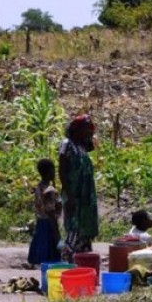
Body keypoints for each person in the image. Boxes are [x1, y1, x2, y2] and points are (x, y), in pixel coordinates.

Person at [58, 114, 99, 256]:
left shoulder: (81, 147)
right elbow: (62, 170)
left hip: (86, 195)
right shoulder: (67, 144)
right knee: (73, 226)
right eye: (86, 128)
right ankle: (67, 257)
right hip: (74, 193)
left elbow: (92, 146)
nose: (88, 131)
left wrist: (90, 135)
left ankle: (83, 257)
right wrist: (69, 195)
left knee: (85, 226)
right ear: (77, 129)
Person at [28, 158, 61, 266]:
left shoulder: (38, 187)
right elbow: (50, 210)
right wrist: (56, 231)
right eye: (53, 170)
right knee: (50, 248)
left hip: (40, 221)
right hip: (49, 223)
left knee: (40, 245)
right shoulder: (49, 190)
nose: (55, 172)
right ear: (49, 171)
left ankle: (37, 263)